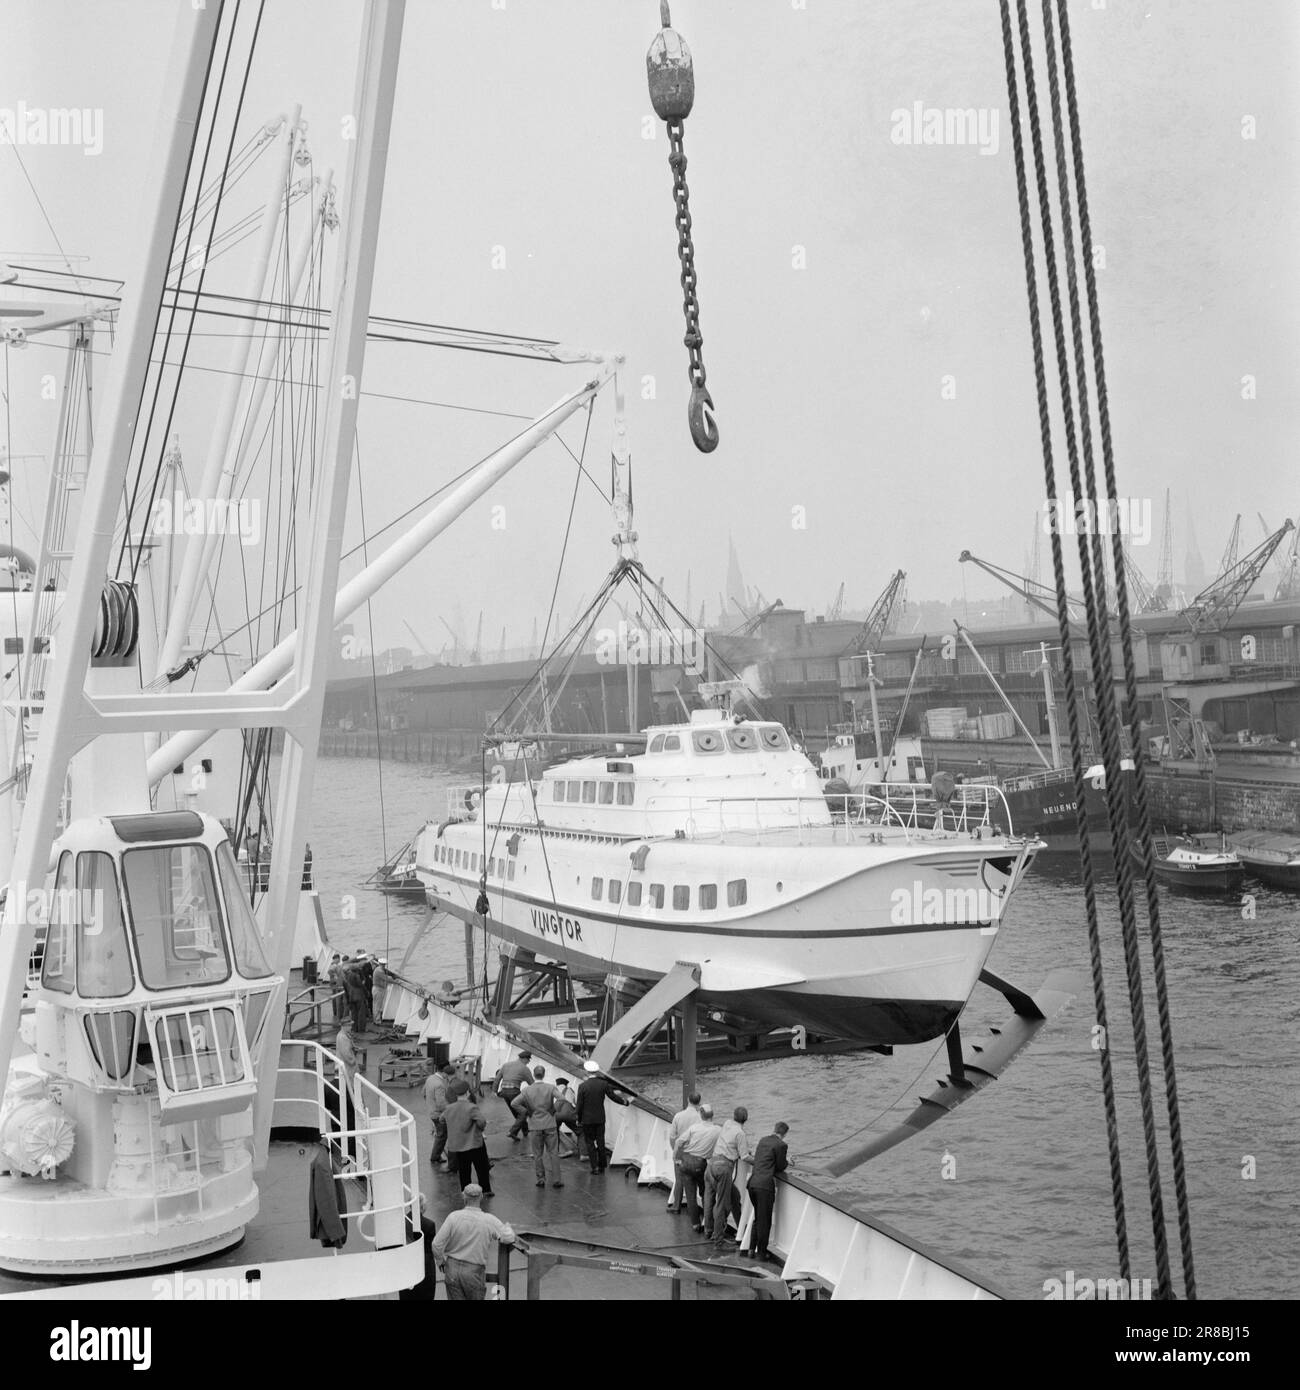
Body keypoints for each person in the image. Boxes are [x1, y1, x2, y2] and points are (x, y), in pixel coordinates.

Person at [431, 1184, 515, 1301]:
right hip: (474, 1272)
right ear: (481, 1197)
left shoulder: (453, 1217)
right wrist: (507, 1227)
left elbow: (436, 1244)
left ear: (463, 1197)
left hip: (452, 1270)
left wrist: (440, 1261)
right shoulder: (488, 1220)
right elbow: (509, 1237)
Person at [704, 1106, 750, 1250]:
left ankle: (740, 1231)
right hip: (723, 1168)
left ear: (734, 1116)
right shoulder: (741, 1134)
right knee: (722, 1205)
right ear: (746, 1119)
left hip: (711, 1164)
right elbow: (745, 1156)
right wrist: (761, 1160)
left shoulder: (727, 1123)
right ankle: (718, 1240)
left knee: (734, 1197)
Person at [575, 1059, 630, 1175]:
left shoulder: (582, 1086)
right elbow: (613, 1097)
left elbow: (579, 1105)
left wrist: (578, 1119)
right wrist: (624, 1102)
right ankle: (602, 1166)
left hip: (587, 1119)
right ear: (597, 1071)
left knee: (590, 1143)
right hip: (600, 1118)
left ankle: (594, 1167)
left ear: (587, 1071)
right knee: (601, 1141)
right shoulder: (603, 1084)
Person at [673, 1103, 721, 1231]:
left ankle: (695, 1224)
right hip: (701, 1163)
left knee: (690, 1195)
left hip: (686, 1161)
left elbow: (678, 1142)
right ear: (712, 1115)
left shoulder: (694, 1128)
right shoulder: (718, 1130)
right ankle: (708, 1225)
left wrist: (675, 1158)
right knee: (706, 1193)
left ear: (701, 1115)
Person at [746, 1122, 789, 1261]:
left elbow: (765, 1160)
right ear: (785, 1134)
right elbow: (781, 1166)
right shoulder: (781, 1145)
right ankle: (761, 1253)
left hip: (752, 1183)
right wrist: (788, 1161)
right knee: (765, 1221)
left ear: (774, 1129)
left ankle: (751, 1249)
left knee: (758, 1218)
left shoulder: (763, 1140)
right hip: (764, 1187)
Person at [516, 1064, 562, 1188]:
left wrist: (526, 1112)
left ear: (534, 1075)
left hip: (535, 1125)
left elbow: (514, 1103)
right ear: (544, 1074)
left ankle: (540, 1179)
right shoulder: (550, 1087)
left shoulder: (527, 1090)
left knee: (537, 1154)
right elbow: (561, 1099)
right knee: (553, 1152)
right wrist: (554, 1109)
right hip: (550, 1124)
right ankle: (557, 1179)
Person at [444, 1081, 493, 1194]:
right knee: (481, 1167)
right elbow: (481, 1121)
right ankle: (486, 1190)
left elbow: (442, 1119)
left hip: (459, 1144)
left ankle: (465, 1191)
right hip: (474, 1143)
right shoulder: (472, 1107)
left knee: (464, 1169)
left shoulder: (449, 1108)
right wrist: (479, 1129)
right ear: (467, 1093)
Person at [666, 1090, 702, 1213]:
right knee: (695, 1180)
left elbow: (672, 1137)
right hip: (695, 1152)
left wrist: (675, 1151)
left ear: (688, 1100)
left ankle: (676, 1206)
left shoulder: (678, 1116)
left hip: (681, 1151)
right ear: (699, 1102)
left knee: (679, 1179)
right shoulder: (700, 1118)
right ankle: (696, 1208)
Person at [399, 1192, 437, 1301]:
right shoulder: (429, 1225)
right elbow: (430, 1249)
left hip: (405, 1265)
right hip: (424, 1265)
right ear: (423, 1207)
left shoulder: (402, 1222)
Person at [494, 1051, 533, 1139]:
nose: (529, 1062)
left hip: (504, 1092)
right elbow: (532, 1083)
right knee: (524, 1112)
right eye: (528, 1060)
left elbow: (497, 1079)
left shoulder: (506, 1065)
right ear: (524, 1059)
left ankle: (525, 1130)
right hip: (514, 1092)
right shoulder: (524, 1068)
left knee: (517, 1112)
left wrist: (495, 1091)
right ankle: (512, 1131)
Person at [423, 1062, 457, 1166]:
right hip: (438, 1114)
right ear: (444, 1072)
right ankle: (436, 1157)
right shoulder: (440, 1084)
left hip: (432, 1111)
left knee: (441, 1135)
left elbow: (423, 1093)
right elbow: (441, 1104)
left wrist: (430, 1103)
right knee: (443, 1136)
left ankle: (436, 1156)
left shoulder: (430, 1078)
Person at [554, 1077, 583, 1159]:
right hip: (568, 1114)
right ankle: (583, 1153)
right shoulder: (569, 1090)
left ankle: (558, 1152)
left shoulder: (554, 1090)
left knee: (555, 1132)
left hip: (556, 1114)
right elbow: (573, 1103)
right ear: (566, 1084)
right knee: (580, 1131)